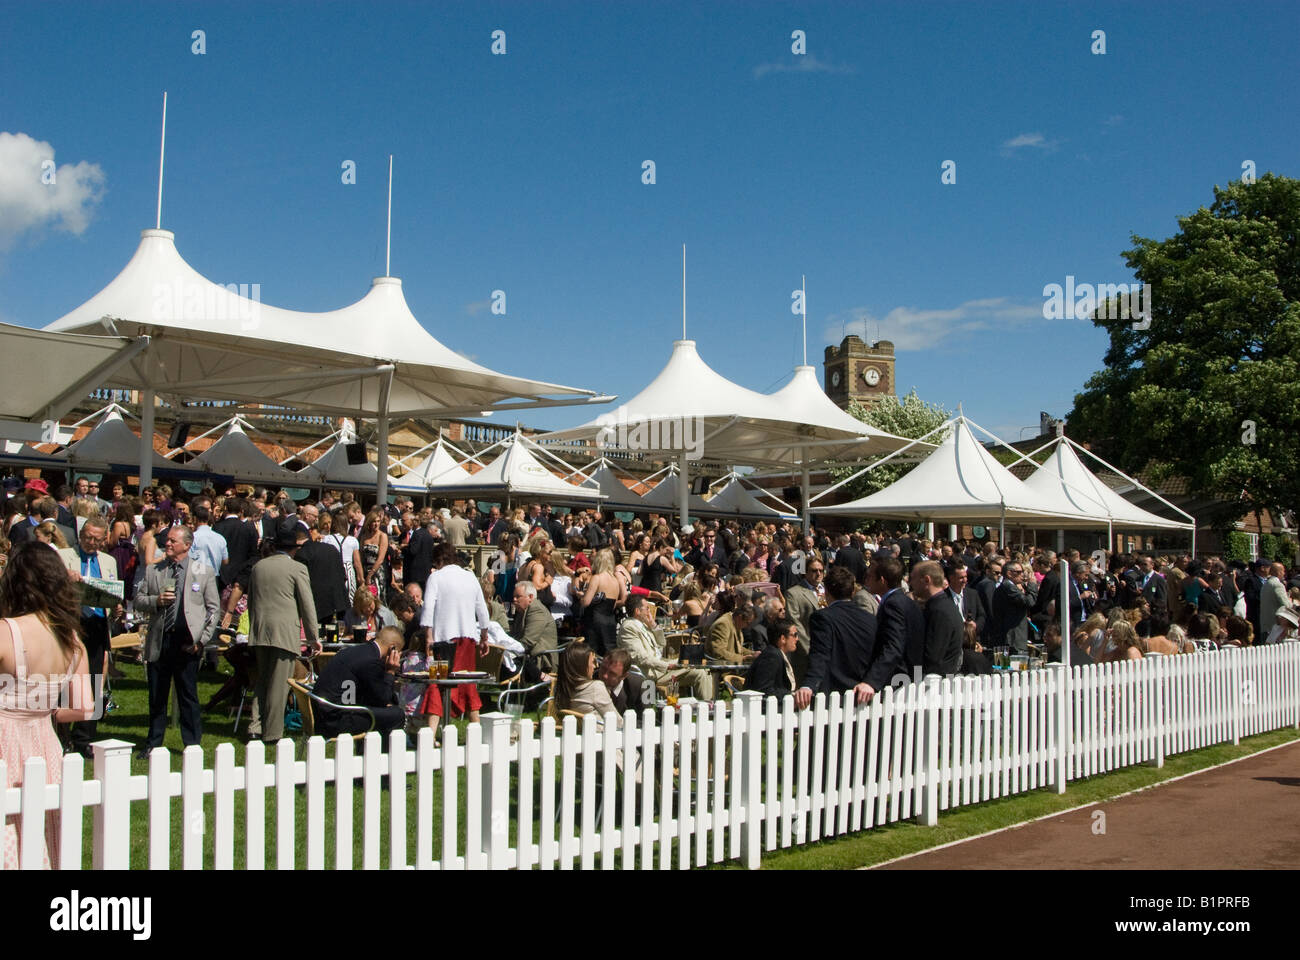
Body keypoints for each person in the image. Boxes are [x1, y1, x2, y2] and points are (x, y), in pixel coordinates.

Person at [0, 544, 94, 868]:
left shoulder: (6, 631)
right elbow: (86, 708)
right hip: (45, 746)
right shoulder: (72, 640)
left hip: (4, 743)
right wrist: (48, 710)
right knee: (43, 840)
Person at [134, 524, 220, 755]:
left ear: (187, 545)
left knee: (188, 696)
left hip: (187, 644)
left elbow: (213, 609)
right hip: (160, 641)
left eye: (173, 540)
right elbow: (138, 599)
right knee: (157, 695)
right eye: (167, 540)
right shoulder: (154, 570)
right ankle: (153, 743)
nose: (168, 544)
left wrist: (201, 640)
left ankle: (192, 744)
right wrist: (156, 600)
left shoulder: (203, 572)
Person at [247, 520, 321, 743]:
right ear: (294, 548)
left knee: (262, 680)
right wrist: (313, 637)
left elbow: (251, 601)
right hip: (284, 632)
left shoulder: (259, 566)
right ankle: (273, 732)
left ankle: (255, 725)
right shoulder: (297, 568)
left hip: (260, 629)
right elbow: (307, 606)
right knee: (280, 684)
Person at [419, 542, 491, 738]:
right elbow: (482, 609)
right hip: (467, 638)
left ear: (439, 560)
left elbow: (428, 609)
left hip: (442, 640)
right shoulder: (470, 577)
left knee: (437, 682)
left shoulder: (435, 577)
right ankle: (476, 730)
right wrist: (484, 636)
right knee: (467, 683)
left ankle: (431, 733)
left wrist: (428, 637)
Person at [68, 517, 122, 757]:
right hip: (71, 624)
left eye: (97, 540)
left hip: (97, 626)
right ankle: (62, 733)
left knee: (93, 683)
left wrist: (116, 606)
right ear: (80, 536)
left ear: (104, 539)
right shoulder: (64, 556)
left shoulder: (108, 561)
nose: (91, 543)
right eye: (87, 538)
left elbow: (113, 589)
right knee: (66, 681)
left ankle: (85, 738)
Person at [795, 566, 880, 708]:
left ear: (826, 591)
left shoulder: (822, 617)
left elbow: (820, 654)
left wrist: (809, 685)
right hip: (864, 694)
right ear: (853, 591)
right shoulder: (870, 618)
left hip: (834, 697)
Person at [313, 625, 406, 739]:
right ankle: (383, 755)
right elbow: (382, 699)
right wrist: (391, 672)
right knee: (397, 715)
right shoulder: (372, 661)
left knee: (383, 711)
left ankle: (367, 751)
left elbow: (374, 696)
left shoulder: (358, 651)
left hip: (323, 713)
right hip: (336, 719)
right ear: (393, 649)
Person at [616, 595, 714, 700]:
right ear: (637, 611)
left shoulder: (642, 625)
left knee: (700, 666)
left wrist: (653, 626)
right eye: (647, 608)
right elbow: (641, 657)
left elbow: (662, 643)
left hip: (660, 668)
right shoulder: (629, 627)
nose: (650, 611)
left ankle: (706, 706)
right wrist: (667, 665)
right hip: (651, 673)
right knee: (699, 672)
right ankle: (706, 707)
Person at [872, 558, 924, 682]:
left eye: (870, 576)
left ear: (882, 580)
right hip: (912, 676)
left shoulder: (892, 604)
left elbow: (893, 645)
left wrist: (872, 680)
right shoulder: (908, 601)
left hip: (897, 678)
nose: (867, 580)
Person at [911, 560, 963, 676]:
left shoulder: (939, 611)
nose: (911, 583)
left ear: (926, 580)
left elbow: (933, 655)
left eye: (913, 578)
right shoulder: (943, 605)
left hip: (935, 682)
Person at [553, 641, 619, 725]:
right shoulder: (595, 687)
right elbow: (616, 720)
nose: (596, 666)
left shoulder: (561, 688)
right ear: (581, 665)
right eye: (592, 662)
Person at [579, 548, 625, 656]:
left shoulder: (597, 578)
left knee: (593, 653)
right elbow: (613, 605)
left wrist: (581, 596)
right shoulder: (615, 581)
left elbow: (586, 602)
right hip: (610, 620)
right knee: (608, 653)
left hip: (594, 620)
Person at [511, 581, 558, 678]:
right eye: (514, 597)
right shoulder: (522, 610)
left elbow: (528, 642)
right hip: (527, 655)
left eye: (518, 596)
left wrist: (508, 649)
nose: (514, 600)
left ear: (531, 597)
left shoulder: (537, 610)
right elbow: (515, 635)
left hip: (541, 660)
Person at [747, 616, 799, 697]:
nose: (797, 639)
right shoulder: (771, 656)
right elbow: (763, 689)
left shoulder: (776, 653)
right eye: (795, 635)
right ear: (783, 639)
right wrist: (791, 695)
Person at [991, 560, 1034, 654]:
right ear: (1009, 573)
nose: (1022, 574)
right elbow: (1028, 602)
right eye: (1019, 572)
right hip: (1012, 639)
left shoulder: (1011, 586)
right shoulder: (1008, 586)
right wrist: (1032, 585)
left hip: (1014, 637)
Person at [706, 595, 759, 664]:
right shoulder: (723, 624)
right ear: (739, 617)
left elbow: (737, 648)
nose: (748, 626)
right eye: (748, 623)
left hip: (731, 666)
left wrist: (753, 653)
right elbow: (718, 652)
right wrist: (743, 658)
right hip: (722, 670)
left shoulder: (735, 623)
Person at [599, 647, 648, 716]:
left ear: (624, 676)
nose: (605, 676)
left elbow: (646, 719)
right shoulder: (592, 678)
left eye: (612, 673)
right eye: (603, 668)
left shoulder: (642, 685)